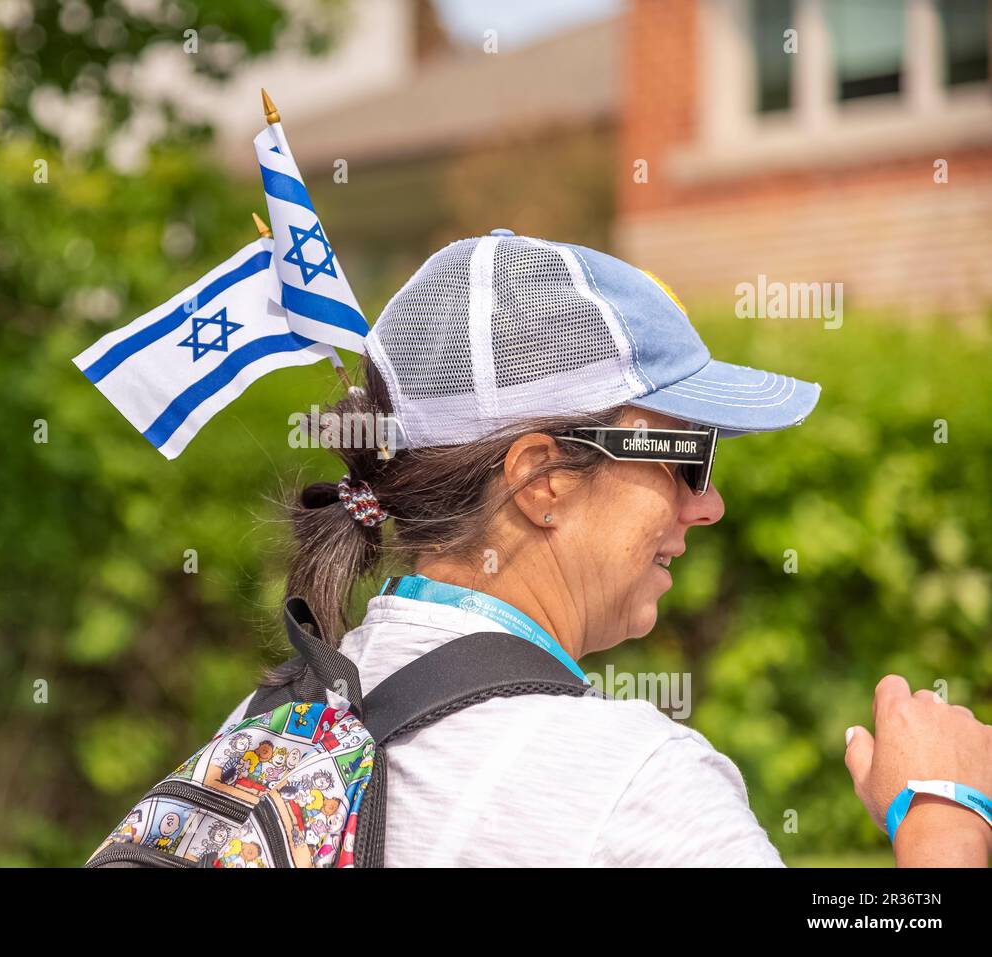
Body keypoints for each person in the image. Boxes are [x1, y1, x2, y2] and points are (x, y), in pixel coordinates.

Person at [218, 232, 992, 867]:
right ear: (543, 478)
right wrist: (945, 819)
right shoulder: (632, 788)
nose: (708, 503)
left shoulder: (259, 729)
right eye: (687, 453)